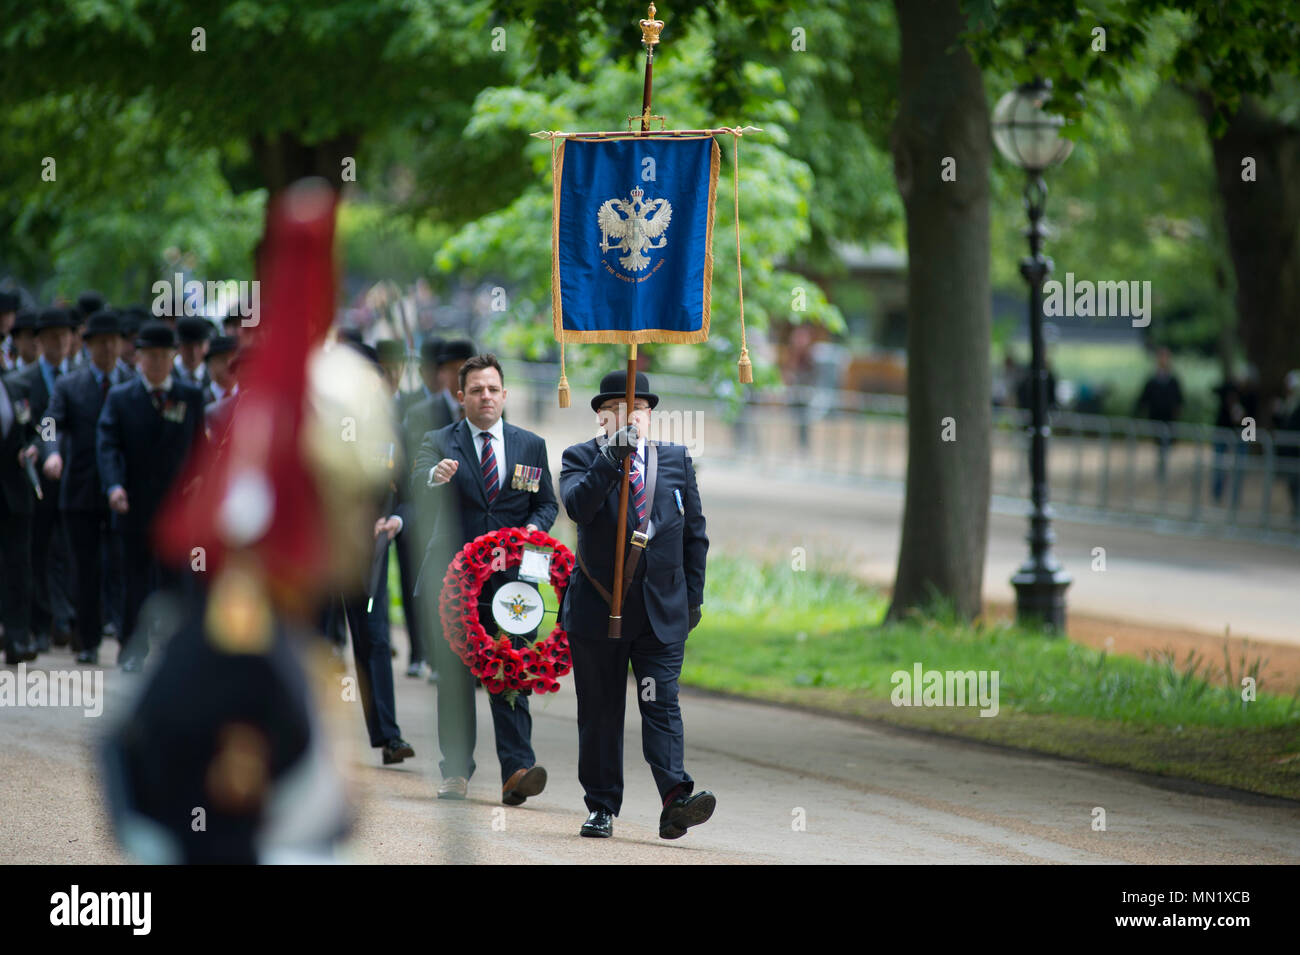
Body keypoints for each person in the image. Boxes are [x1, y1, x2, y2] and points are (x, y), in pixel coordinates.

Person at [558, 370, 714, 840]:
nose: (632, 417)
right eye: (620, 411)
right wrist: (610, 460)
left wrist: (692, 600)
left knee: (660, 703)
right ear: (602, 418)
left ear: (650, 415)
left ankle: (674, 799)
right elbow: (578, 508)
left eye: (640, 410)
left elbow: (695, 535)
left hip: (662, 612)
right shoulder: (580, 457)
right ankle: (601, 806)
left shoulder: (675, 461)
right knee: (602, 710)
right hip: (600, 611)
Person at [410, 353, 557, 804]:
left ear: (505, 394)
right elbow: (416, 481)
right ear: (461, 397)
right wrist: (436, 476)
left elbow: (546, 504)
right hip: (455, 580)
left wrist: (535, 531)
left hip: (513, 586)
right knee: (454, 678)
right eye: (476, 390)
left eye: (493, 389)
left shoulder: (529, 444)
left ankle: (517, 770)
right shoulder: (438, 441)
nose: (485, 396)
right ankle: (455, 772)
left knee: (511, 671)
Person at [97, 320, 206, 669]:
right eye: (150, 356)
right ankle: (133, 649)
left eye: (163, 356)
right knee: (135, 580)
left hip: (178, 507)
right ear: (139, 358)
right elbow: (108, 445)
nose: (157, 363)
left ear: (173, 357)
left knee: (178, 582)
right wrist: (114, 486)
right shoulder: (121, 398)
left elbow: (202, 449)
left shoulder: (190, 397)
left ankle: (177, 654)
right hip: (135, 504)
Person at [336, 338, 416, 766]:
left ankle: (388, 736)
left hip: (369, 551)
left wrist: (395, 520)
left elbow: (410, 496)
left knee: (376, 639)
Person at [41, 310, 121, 663]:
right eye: (99, 343)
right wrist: (51, 453)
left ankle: (128, 635)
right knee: (84, 569)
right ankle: (87, 640)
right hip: (81, 490)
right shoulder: (69, 386)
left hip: (123, 490)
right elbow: (49, 423)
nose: (106, 349)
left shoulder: (134, 382)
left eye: (112, 342)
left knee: (123, 566)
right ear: (86, 347)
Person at [400, 338, 474, 681]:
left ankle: (469, 658)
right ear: (441, 374)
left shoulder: (485, 408)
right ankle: (432, 654)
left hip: (474, 516)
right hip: (431, 512)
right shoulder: (422, 414)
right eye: (453, 370)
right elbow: (408, 469)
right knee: (434, 585)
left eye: (466, 368)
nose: (459, 376)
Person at [10, 307, 79, 653]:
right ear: (39, 341)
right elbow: (43, 423)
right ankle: (40, 623)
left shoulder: (80, 376)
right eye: (52, 336)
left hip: (76, 479)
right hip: (38, 478)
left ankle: (68, 617)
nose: (60, 342)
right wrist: (40, 447)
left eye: (65, 336)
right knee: (38, 553)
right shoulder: (23, 381)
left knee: (70, 552)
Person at [0, 368, 38, 664]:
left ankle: (17, 637)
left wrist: (37, 448)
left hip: (16, 492)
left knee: (18, 568)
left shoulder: (17, 387)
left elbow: (44, 425)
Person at [1134, 347, 1183, 480]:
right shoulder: (1152, 380)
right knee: (1159, 443)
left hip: (1168, 418)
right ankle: (1160, 466)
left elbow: (1179, 400)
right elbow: (1143, 398)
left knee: (1164, 444)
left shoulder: (1173, 381)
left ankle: (1162, 467)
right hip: (1155, 417)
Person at [174, 316, 213, 390]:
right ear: (178, 345)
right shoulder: (167, 375)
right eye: (188, 346)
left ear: (207, 345)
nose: (194, 352)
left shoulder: (213, 376)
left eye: (199, 345)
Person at [203, 334, 239, 406]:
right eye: (222, 360)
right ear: (210, 364)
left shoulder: (248, 398)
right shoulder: (202, 399)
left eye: (233, 360)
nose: (229, 365)